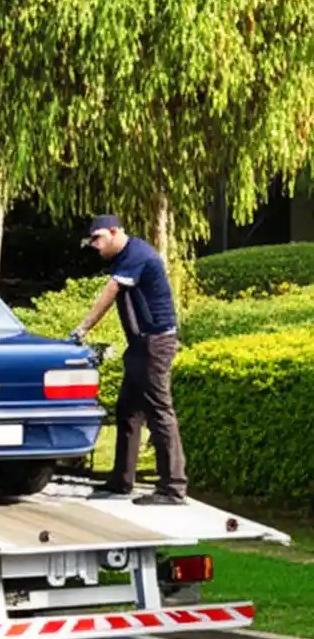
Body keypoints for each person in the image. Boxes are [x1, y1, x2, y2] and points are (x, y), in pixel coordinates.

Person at [70, 214, 188, 505]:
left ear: (113, 232)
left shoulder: (137, 254)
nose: (95, 246)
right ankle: (121, 482)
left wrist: (82, 329)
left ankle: (173, 488)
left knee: (160, 412)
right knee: (128, 411)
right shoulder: (126, 256)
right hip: (140, 345)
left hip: (155, 344)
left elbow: (111, 292)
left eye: (98, 239)